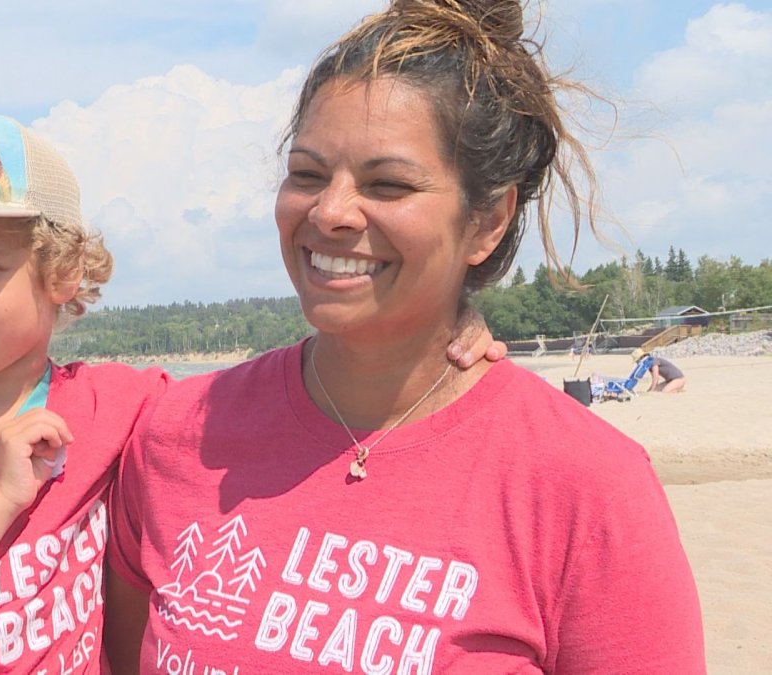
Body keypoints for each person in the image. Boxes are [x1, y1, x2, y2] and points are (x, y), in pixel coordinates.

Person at [105, 2, 706, 673]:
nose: (330, 212)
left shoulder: (586, 486)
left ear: (487, 220)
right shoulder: (176, 434)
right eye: (306, 174)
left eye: (387, 184)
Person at [0, 108, 504, 674]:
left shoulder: (120, 406)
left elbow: (277, 395)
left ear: (64, 274)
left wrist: (436, 334)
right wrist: (0, 499)